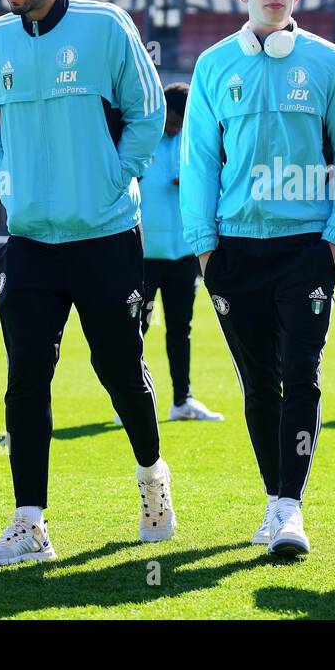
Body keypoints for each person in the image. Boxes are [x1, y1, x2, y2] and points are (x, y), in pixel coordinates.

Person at [0, 0, 174, 566]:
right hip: (30, 240)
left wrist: (114, 179)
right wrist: (11, 188)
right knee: (25, 378)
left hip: (106, 235)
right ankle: (30, 524)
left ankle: (151, 479)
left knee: (119, 371)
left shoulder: (107, 27)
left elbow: (148, 114)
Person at [181, 0, 335, 557]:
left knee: (301, 374)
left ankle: (291, 509)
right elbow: (201, 160)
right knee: (258, 384)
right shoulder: (213, 66)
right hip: (234, 252)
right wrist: (204, 247)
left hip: (305, 250)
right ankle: (273, 501)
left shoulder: (329, 63)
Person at [139, 82, 223, 421]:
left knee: (180, 329)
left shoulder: (195, 141)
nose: (174, 126)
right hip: (143, 254)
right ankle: (130, 399)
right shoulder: (141, 140)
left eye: (180, 120)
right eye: (172, 118)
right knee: (136, 330)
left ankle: (181, 400)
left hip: (184, 253)